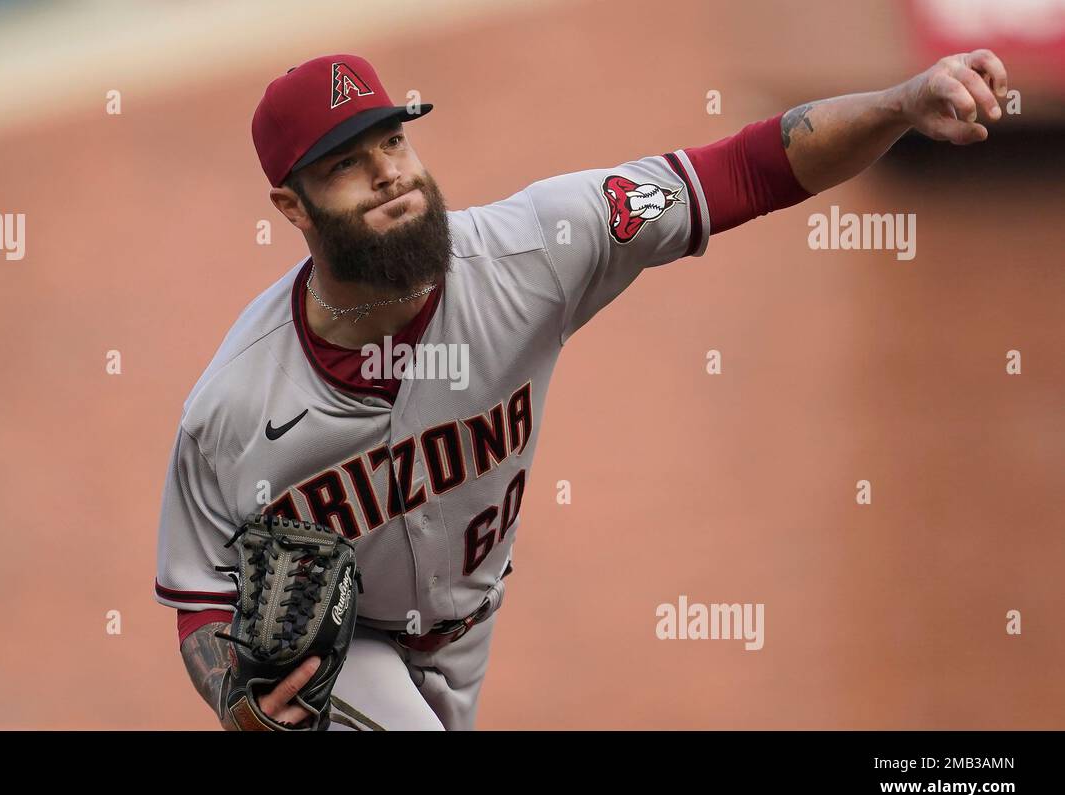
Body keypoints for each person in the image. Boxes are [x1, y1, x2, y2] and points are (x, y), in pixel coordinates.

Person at [155, 51, 1008, 730]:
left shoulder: (536, 249)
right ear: (290, 204)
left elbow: (744, 171)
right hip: (350, 657)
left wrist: (901, 104)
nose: (388, 174)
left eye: (393, 142)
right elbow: (200, 596)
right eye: (346, 164)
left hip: (469, 636)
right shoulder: (233, 405)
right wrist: (236, 700)